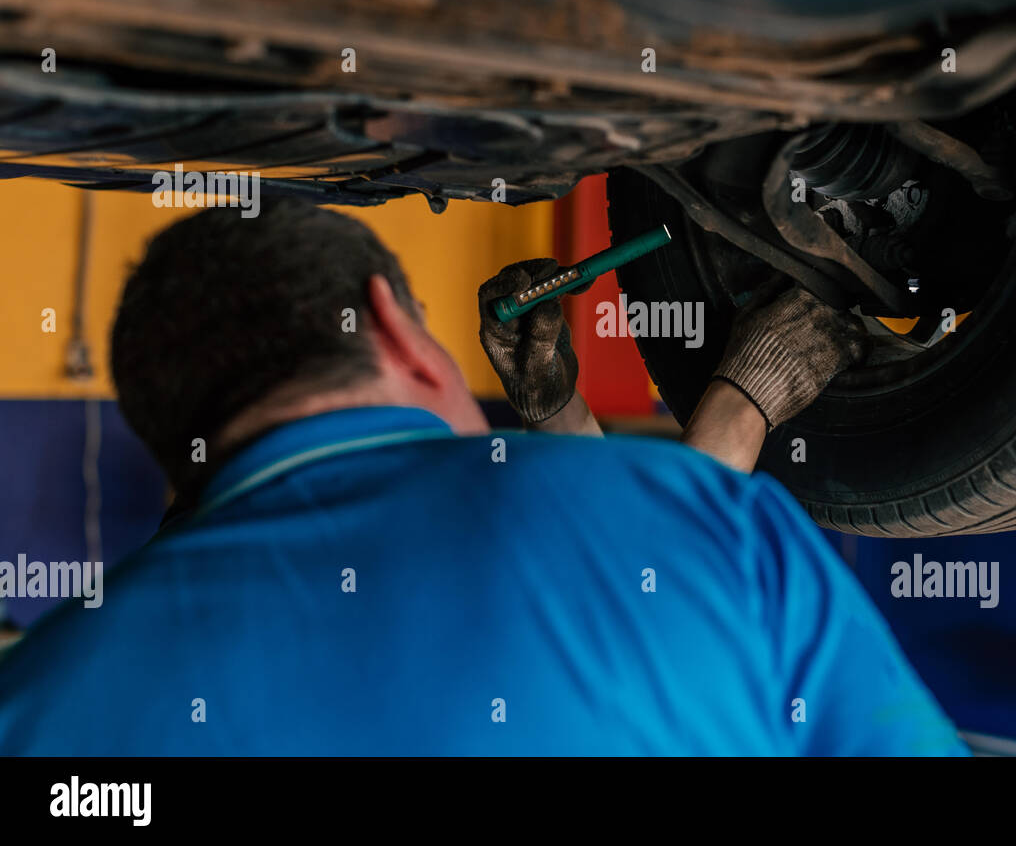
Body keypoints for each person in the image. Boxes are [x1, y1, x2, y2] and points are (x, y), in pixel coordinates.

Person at [0, 199, 964, 755]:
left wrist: (562, 415)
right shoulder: (711, 534)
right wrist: (736, 417)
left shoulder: (43, 700)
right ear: (392, 327)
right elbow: (615, 584)